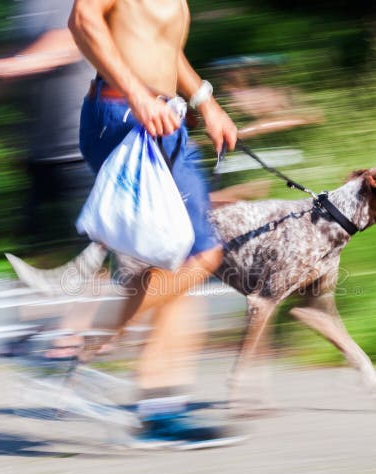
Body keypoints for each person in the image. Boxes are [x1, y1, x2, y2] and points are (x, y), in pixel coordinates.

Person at [68, 0, 241, 447]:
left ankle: (157, 408)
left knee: (174, 266)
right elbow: (83, 18)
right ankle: (95, 358)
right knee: (199, 255)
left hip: (163, 117)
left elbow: (164, 48)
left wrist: (208, 103)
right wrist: (138, 95)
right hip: (127, 117)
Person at [0, 0, 97, 257]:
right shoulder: (20, 6)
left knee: (89, 260)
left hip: (79, 154)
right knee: (35, 257)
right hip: (36, 154)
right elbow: (5, 56)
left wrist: (13, 65)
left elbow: (67, 43)